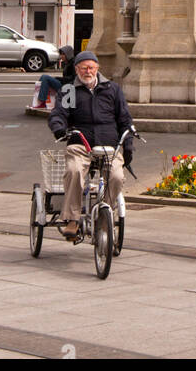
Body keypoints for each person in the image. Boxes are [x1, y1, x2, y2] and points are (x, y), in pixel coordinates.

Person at [48, 50, 133, 241]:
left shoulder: (112, 89)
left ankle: (106, 213)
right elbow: (59, 113)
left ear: (98, 69)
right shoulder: (70, 90)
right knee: (74, 171)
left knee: (117, 176)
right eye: (84, 68)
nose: (88, 71)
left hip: (109, 146)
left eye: (91, 67)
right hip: (81, 144)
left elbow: (125, 119)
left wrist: (128, 145)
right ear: (77, 69)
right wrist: (59, 127)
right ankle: (72, 219)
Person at [30, 45, 75, 111]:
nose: (61, 56)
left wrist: (59, 79)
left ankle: (42, 102)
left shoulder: (73, 64)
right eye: (61, 54)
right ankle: (38, 101)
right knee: (43, 77)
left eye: (63, 54)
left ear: (68, 54)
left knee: (45, 78)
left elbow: (72, 78)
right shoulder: (67, 63)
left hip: (67, 87)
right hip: (64, 84)